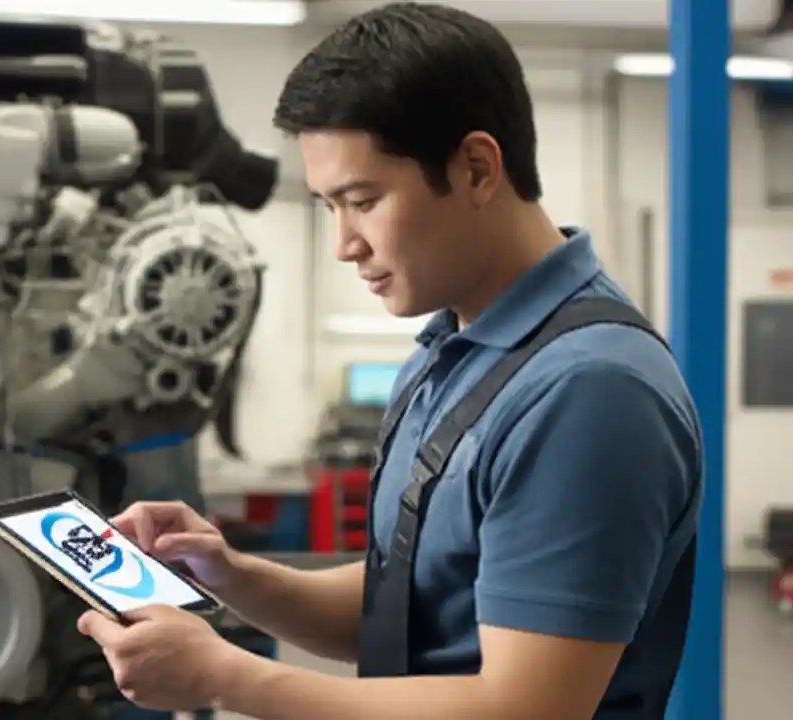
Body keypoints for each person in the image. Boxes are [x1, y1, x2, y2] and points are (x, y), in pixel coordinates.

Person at [75, 3, 703, 719]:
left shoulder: (589, 390)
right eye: (327, 207)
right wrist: (230, 574)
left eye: (363, 201)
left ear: (474, 168)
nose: (345, 243)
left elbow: (528, 708)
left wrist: (226, 677)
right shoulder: (449, 356)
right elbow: (405, 601)